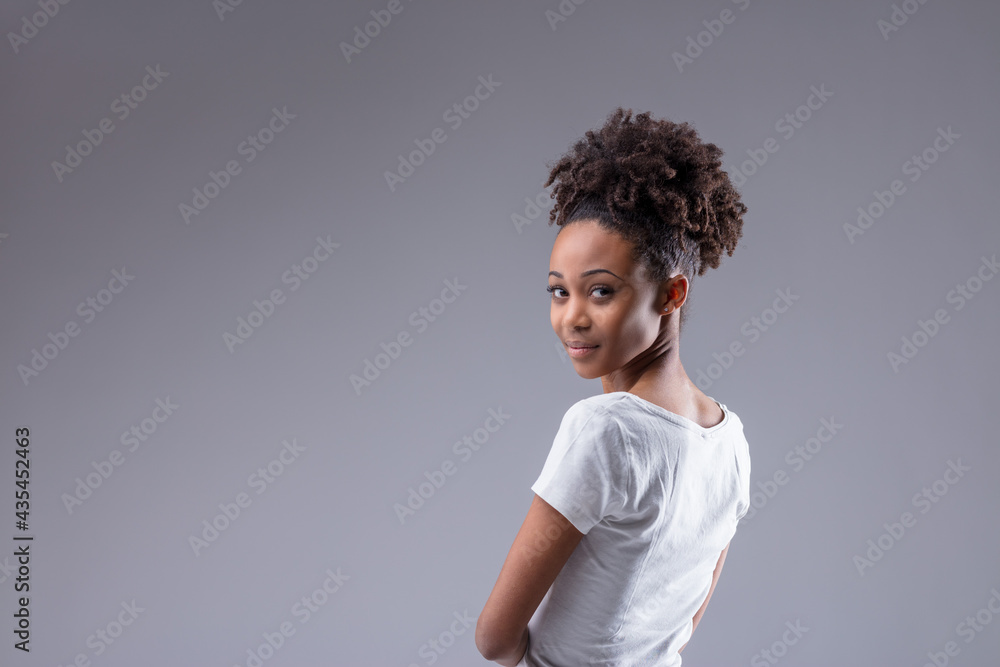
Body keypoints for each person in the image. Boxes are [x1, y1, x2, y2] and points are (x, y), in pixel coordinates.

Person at [475, 107, 752, 666]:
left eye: (601, 291)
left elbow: (494, 637)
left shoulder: (604, 430)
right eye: (559, 291)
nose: (572, 317)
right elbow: (685, 621)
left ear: (672, 295)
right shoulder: (731, 441)